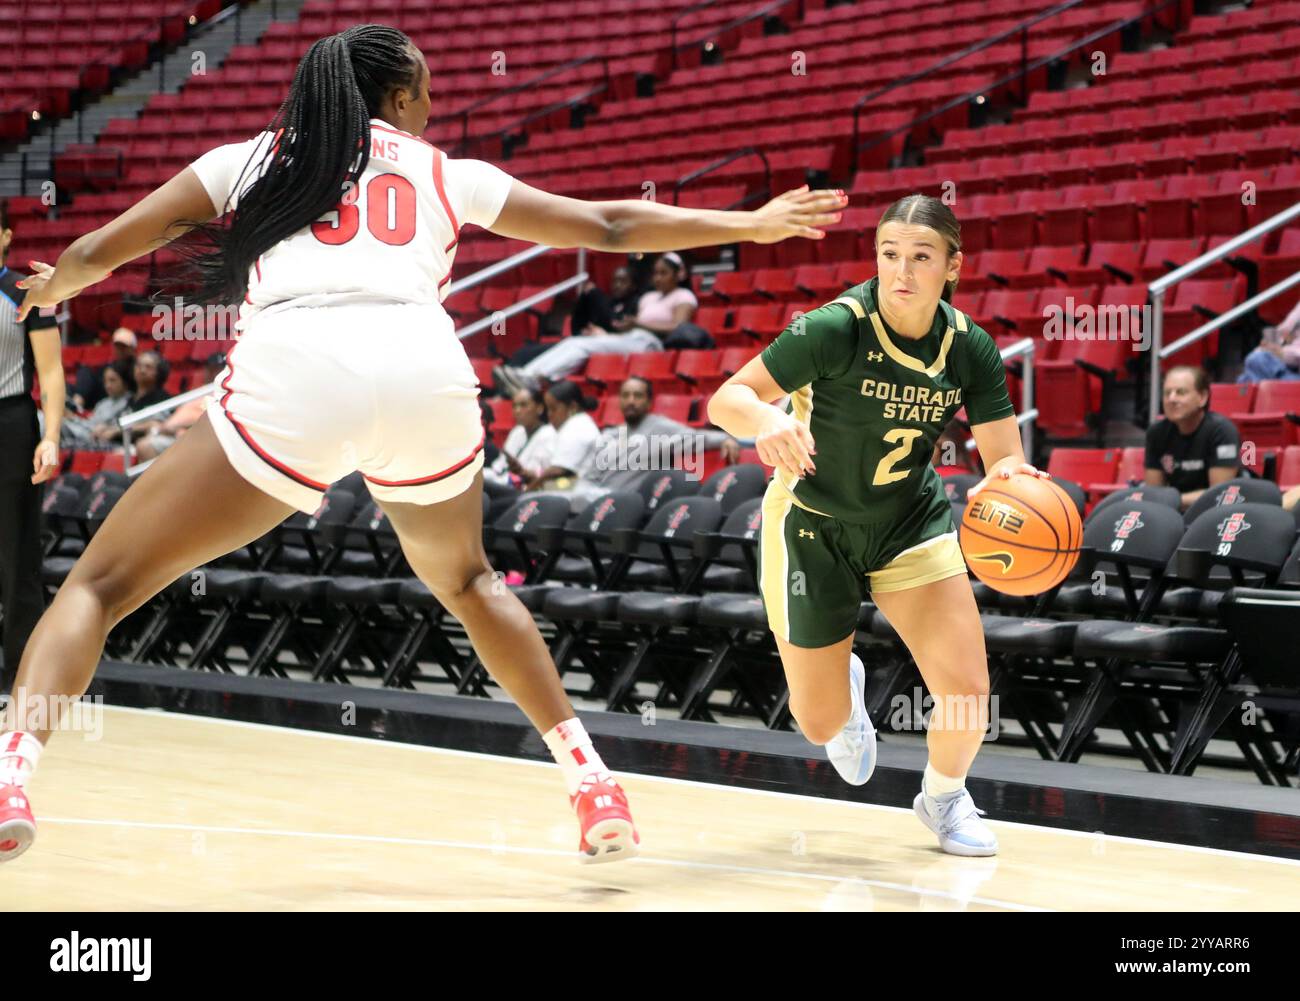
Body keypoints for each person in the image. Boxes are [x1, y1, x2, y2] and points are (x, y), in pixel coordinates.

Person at [0, 23, 847, 865]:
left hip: (299, 373)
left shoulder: (247, 160)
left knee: (100, 586)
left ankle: (12, 774)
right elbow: (612, 226)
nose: (434, 105)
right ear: (400, 97)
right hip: (423, 373)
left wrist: (60, 282)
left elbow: (98, 250)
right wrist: (754, 222)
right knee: (472, 581)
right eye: (429, 91)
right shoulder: (446, 171)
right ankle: (592, 783)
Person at [708, 194, 1049, 857]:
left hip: (907, 521)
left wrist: (1004, 483)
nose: (902, 271)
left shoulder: (969, 346)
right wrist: (769, 420)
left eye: (921, 257)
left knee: (967, 690)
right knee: (818, 722)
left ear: (952, 265)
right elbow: (728, 398)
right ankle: (845, 688)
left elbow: (1006, 455)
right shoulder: (834, 327)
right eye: (890, 254)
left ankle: (944, 797)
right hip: (813, 522)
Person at [0, 199, 63, 694]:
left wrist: (51, 436)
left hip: (12, 423)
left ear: (6, 236)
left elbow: (53, 372)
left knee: (17, 557)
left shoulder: (25, 291)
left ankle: (22, 682)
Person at [495, 252, 705, 390]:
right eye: (656, 273)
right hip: (633, 337)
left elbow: (679, 326)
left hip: (651, 344)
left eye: (664, 273)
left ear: (678, 275)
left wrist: (637, 324)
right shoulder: (649, 297)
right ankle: (525, 374)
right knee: (574, 342)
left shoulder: (683, 296)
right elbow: (631, 329)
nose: (658, 278)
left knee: (581, 348)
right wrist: (609, 335)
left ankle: (534, 379)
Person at [567, 375, 742, 507]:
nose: (631, 401)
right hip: (594, 497)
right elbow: (589, 477)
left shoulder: (659, 428)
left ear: (649, 402)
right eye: (626, 396)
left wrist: (725, 439)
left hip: (622, 504)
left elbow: (694, 438)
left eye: (638, 396)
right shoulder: (610, 434)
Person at [1144, 365, 1241, 510]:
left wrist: (1171, 500)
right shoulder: (1156, 432)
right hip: (1174, 511)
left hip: (1215, 514)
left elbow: (1220, 494)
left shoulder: (1222, 431)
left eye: (1180, 392)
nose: (1171, 399)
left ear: (1202, 397)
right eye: (1167, 393)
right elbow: (1153, 491)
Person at [133, 352, 227, 461]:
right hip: (175, 434)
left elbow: (212, 421)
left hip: (197, 439)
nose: (212, 373)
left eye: (217, 369)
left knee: (145, 446)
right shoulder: (196, 393)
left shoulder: (224, 395)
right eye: (209, 368)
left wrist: (175, 428)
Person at [482, 385, 556, 519]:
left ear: (539, 408)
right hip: (501, 482)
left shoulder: (549, 435)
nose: (517, 410)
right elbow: (498, 467)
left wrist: (519, 472)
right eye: (514, 406)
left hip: (524, 490)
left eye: (523, 405)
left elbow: (539, 475)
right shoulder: (517, 432)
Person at [523, 380, 603, 493]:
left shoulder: (577, 427)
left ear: (573, 407)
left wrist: (525, 493)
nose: (549, 415)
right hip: (573, 488)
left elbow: (557, 471)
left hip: (579, 494)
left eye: (553, 409)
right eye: (548, 409)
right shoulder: (580, 422)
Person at [59, 358, 134, 449]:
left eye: (112, 380)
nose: (108, 385)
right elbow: (90, 424)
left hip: (105, 442)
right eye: (105, 381)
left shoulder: (130, 402)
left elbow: (123, 427)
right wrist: (72, 418)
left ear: (125, 381)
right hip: (87, 435)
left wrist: (108, 428)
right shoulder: (103, 403)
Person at [70, 326, 137, 412]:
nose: (120, 349)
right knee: (84, 371)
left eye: (123, 346)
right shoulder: (109, 366)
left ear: (132, 348)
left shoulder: (136, 368)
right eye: (117, 346)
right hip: (100, 398)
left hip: (122, 400)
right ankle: (77, 402)